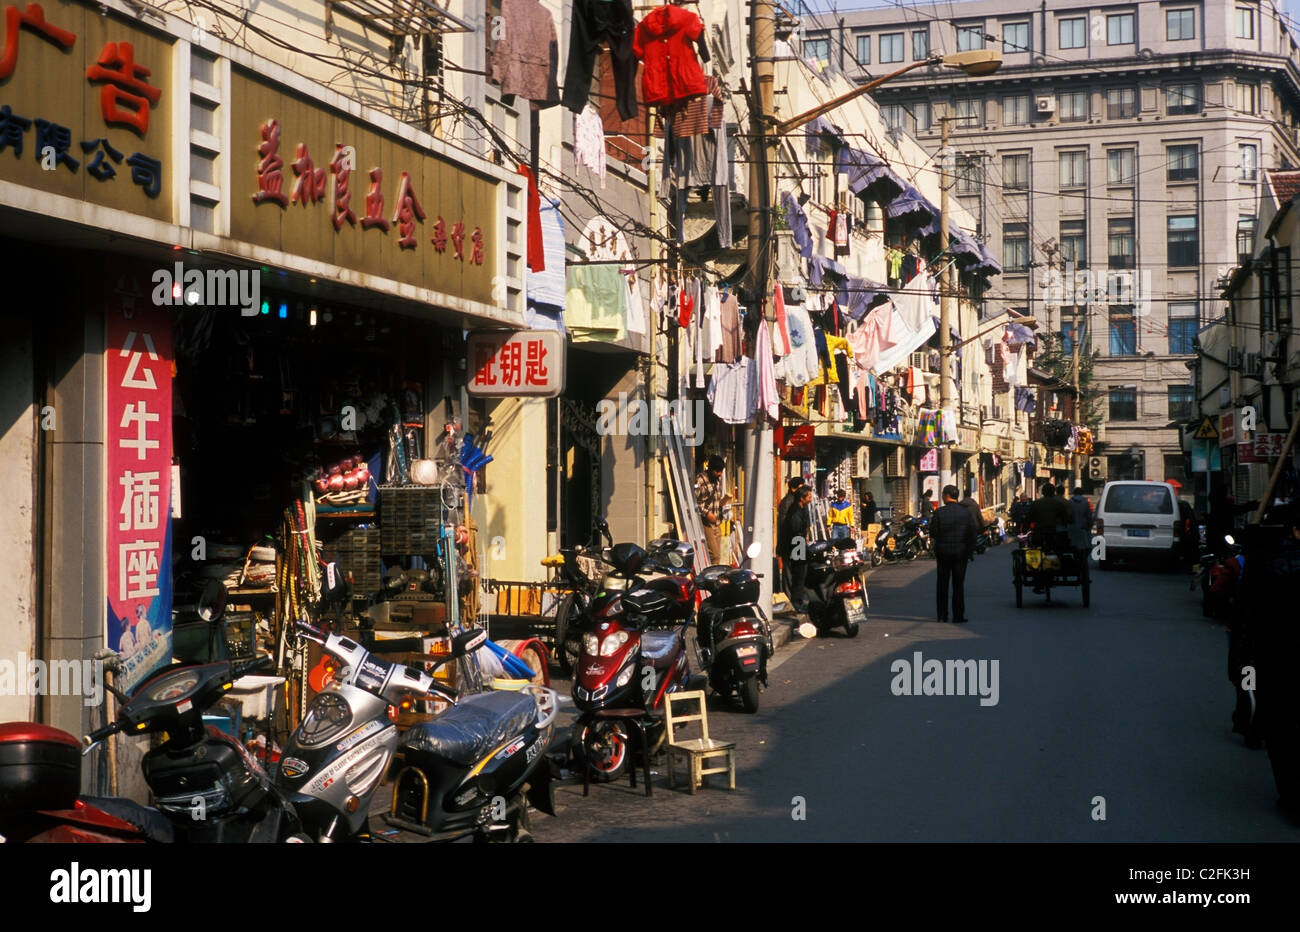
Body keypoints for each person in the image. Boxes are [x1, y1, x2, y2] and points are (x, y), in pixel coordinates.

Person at [929, 485, 976, 623]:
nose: (942, 497)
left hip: (943, 553)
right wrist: (969, 551)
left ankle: (942, 615)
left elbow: (933, 532)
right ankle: (958, 615)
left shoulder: (939, 513)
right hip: (960, 554)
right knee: (958, 585)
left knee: (942, 584)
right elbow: (972, 534)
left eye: (943, 494)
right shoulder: (965, 513)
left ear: (947, 495)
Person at [778, 487, 813, 612]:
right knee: (798, 575)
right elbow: (795, 531)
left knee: (800, 575)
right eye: (809, 497)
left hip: (798, 544)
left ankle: (797, 601)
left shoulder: (802, 509)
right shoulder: (795, 513)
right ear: (802, 498)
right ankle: (796, 603)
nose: (811, 499)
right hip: (795, 545)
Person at [694, 454, 730, 565]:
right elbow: (694, 502)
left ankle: (714, 575)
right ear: (710, 469)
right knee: (715, 555)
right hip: (706, 523)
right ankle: (712, 579)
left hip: (717, 522)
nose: (719, 474)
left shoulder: (717, 481)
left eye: (721, 471)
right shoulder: (700, 481)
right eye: (717, 471)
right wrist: (707, 513)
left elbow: (716, 501)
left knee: (716, 555)